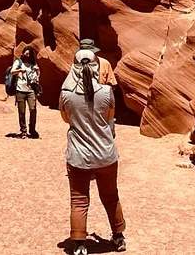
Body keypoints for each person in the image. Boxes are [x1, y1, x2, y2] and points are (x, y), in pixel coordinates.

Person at [59, 49, 126, 254]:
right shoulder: (106, 93)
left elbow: (66, 119)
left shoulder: (67, 93)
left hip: (79, 155)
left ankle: (79, 243)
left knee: (79, 199)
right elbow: (109, 118)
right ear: (97, 66)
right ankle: (118, 236)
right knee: (110, 196)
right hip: (105, 154)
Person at [9, 45, 41, 138]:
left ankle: (32, 129)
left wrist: (38, 71)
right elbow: (12, 71)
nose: (27, 55)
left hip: (31, 90)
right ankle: (23, 130)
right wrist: (20, 70)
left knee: (33, 109)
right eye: (26, 53)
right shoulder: (18, 62)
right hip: (20, 90)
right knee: (22, 112)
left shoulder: (33, 63)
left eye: (29, 54)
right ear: (23, 53)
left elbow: (37, 77)